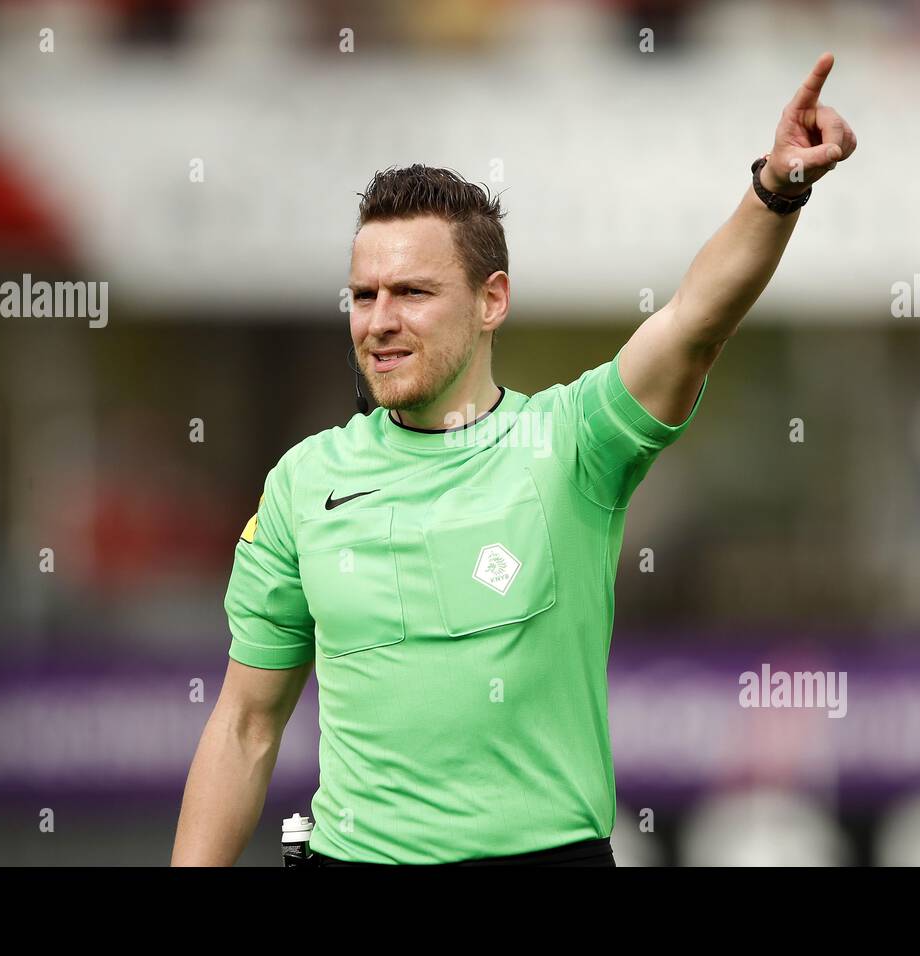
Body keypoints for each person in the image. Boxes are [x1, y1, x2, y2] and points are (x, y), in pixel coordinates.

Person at [171, 53, 857, 866]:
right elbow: (246, 726)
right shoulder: (302, 482)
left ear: (492, 299)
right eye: (363, 295)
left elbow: (692, 323)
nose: (379, 321)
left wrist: (776, 188)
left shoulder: (570, 443)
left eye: (412, 293)